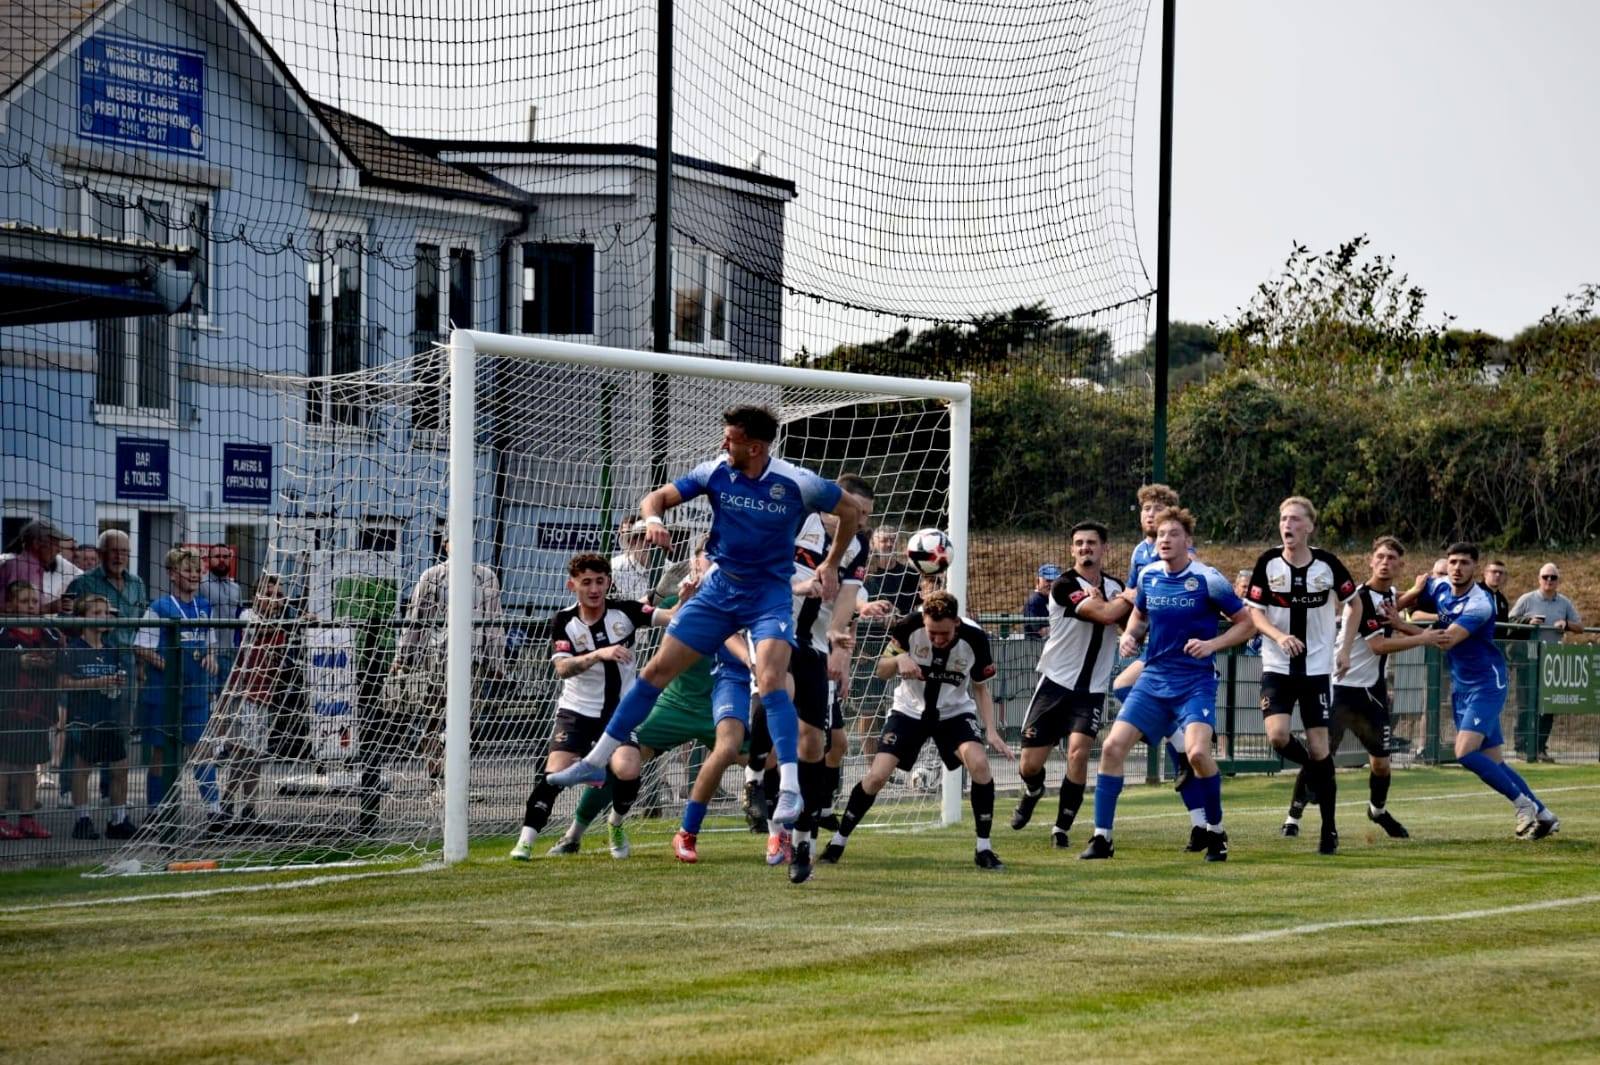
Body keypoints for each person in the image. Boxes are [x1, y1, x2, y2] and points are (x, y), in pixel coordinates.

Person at [548, 405, 863, 837]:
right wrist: (654, 520)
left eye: (730, 439)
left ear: (754, 447)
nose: (722, 444)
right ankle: (595, 759)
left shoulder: (798, 482)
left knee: (772, 682)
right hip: (718, 590)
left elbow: (851, 512)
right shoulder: (716, 470)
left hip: (769, 594)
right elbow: (656, 498)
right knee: (656, 670)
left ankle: (788, 787)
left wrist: (830, 562)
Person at [1085, 508, 1254, 862]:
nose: (1165, 539)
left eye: (1173, 534)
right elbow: (1139, 615)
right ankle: (1102, 838)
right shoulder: (1148, 576)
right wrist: (1130, 637)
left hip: (1194, 681)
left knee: (1197, 754)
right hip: (1153, 679)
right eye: (1161, 534)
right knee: (1113, 748)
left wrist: (1212, 645)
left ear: (1188, 541)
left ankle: (1216, 831)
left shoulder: (1208, 579)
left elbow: (1246, 623)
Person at [818, 590, 1013, 870]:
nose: (937, 639)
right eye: (932, 633)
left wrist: (991, 731)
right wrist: (898, 661)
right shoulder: (908, 627)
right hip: (909, 710)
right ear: (923, 620)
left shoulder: (976, 638)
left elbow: (980, 688)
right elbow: (882, 670)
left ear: (956, 622)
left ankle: (984, 849)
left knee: (980, 764)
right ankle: (838, 841)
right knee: (876, 776)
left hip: (954, 712)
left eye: (943, 633)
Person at [510, 553, 683, 860]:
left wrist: (687, 597)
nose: (593, 588)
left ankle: (615, 823)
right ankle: (525, 842)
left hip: (619, 714)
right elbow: (562, 669)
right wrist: (598, 654)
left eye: (600, 581)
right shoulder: (564, 621)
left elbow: (673, 618)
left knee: (628, 768)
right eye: (586, 582)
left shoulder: (626, 611)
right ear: (571, 585)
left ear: (609, 583)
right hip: (576, 713)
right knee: (553, 775)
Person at [1283, 536, 1442, 842]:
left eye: (1392, 558)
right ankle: (1293, 815)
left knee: (1381, 763)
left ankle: (1377, 811)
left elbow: (1392, 608)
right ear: (1370, 560)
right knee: (1320, 753)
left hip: (1371, 692)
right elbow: (1378, 645)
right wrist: (1422, 638)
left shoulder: (1389, 595)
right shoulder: (1360, 597)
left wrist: (1414, 593)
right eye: (1380, 556)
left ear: (1400, 565)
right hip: (1340, 688)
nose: (1385, 562)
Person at [1401, 543, 1559, 839]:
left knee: (1464, 752)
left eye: (1464, 563)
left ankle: (1522, 806)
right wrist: (1403, 597)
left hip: (1487, 685)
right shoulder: (1440, 587)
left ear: (1476, 567)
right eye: (1452, 562)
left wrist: (1398, 623)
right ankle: (1545, 815)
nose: (1457, 568)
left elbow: (1446, 640)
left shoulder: (1480, 603)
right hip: (1463, 686)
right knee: (1494, 760)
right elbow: (1407, 598)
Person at [775, 473, 875, 884]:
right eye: (853, 509)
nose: (859, 518)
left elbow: (848, 598)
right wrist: (799, 584)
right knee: (780, 696)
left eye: (866, 514)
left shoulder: (858, 543)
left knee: (817, 742)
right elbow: (766, 571)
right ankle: (768, 790)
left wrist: (837, 637)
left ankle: (802, 839)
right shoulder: (797, 518)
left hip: (813, 647)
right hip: (771, 631)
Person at [1245, 496, 1358, 855]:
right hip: (1277, 667)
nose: (1287, 525)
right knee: (1278, 737)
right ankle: (1315, 767)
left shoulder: (1327, 564)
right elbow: (1255, 613)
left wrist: (1344, 649)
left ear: (1309, 526)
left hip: (1316, 671)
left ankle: (1329, 829)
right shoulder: (1267, 562)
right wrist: (1279, 636)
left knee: (1321, 746)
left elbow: (1354, 603)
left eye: (1295, 519)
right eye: (1283, 519)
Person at [1010, 521, 1127, 849]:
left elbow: (1130, 625)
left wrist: (1125, 610)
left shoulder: (1117, 587)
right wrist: (1124, 601)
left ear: (1104, 548)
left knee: (1078, 753)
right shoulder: (1064, 584)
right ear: (1072, 549)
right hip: (1055, 685)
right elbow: (1102, 614)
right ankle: (1033, 790)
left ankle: (1061, 827)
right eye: (1079, 543)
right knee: (1029, 765)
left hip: (1090, 691)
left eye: (1091, 542)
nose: (1085, 548)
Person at [392, 536, 507, 785]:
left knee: (469, 717)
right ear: (446, 545)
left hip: (472, 657)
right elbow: (417, 618)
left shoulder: (486, 577)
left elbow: (494, 622)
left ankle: (454, 768)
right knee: (433, 713)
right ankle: (434, 772)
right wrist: (403, 656)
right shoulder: (432, 576)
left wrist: (497, 662)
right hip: (437, 655)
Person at [135, 547, 221, 826]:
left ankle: (214, 811)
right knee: (161, 751)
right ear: (172, 574)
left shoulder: (205, 607)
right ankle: (156, 810)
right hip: (163, 693)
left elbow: (211, 645)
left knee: (201, 749)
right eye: (188, 570)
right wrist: (168, 666)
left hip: (195, 691)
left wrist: (210, 657)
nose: (194, 576)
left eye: (198, 571)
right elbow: (140, 647)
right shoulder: (159, 607)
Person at [212, 574, 302, 831]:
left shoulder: (282, 623)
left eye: (278, 595)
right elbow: (264, 630)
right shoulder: (248, 615)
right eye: (269, 595)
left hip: (265, 695)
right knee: (243, 752)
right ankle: (227, 805)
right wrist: (295, 620)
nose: (274, 600)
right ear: (257, 596)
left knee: (255, 754)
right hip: (243, 693)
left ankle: (248, 809)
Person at [56, 594, 135, 840]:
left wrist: (115, 684)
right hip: (83, 717)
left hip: (109, 717)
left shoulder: (111, 650)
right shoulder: (73, 650)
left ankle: (118, 820)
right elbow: (63, 684)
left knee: (120, 769)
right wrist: (97, 682)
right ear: (83, 617)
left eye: (106, 612)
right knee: (83, 768)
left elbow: (116, 682)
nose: (103, 617)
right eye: (96, 612)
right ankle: (83, 819)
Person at [0, 580, 60, 840]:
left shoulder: (47, 632)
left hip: (38, 708)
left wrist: (49, 661)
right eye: (24, 601)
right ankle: (1, 818)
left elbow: (61, 656)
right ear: (11, 604)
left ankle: (27, 818)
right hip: (9, 710)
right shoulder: (4, 632)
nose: (31, 606)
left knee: (29, 764)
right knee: (5, 764)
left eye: (34, 601)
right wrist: (18, 661)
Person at [1511, 564, 1583, 762]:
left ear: (1558, 580)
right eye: (1545, 577)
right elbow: (1509, 622)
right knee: (1525, 704)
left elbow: (1580, 626)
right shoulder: (1527, 599)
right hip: (1528, 658)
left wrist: (1566, 624)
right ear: (1539, 578)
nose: (1549, 581)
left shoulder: (1564, 602)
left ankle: (1540, 747)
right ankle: (1521, 747)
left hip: (1551, 661)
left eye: (1553, 577)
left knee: (1548, 705)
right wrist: (1528, 622)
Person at [0, 519, 76, 614]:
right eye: (54, 543)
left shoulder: (27, 565)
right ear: (37, 544)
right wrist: (49, 608)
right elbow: (14, 610)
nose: (58, 550)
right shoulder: (22, 566)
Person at [199, 544, 245, 687]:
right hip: (209, 653)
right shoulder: (201, 584)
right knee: (209, 699)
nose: (222, 560)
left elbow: (240, 618)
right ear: (209, 559)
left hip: (231, 653)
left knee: (228, 701)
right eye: (217, 557)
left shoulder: (236, 588)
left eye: (225, 557)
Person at [863, 527, 920, 618]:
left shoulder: (910, 573)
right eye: (884, 541)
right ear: (873, 545)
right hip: (873, 627)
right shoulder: (867, 575)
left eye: (893, 540)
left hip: (903, 626)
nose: (889, 544)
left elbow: (918, 603)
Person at [608, 516, 654, 603]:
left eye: (650, 535)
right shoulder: (615, 566)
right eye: (641, 536)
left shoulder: (666, 566)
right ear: (631, 541)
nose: (647, 540)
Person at [1021, 564, 1060, 639]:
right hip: (1035, 646)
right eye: (1048, 581)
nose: (1051, 584)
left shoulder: (1052, 599)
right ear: (1038, 581)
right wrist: (1061, 627)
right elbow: (1039, 631)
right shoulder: (1034, 600)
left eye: (1054, 581)